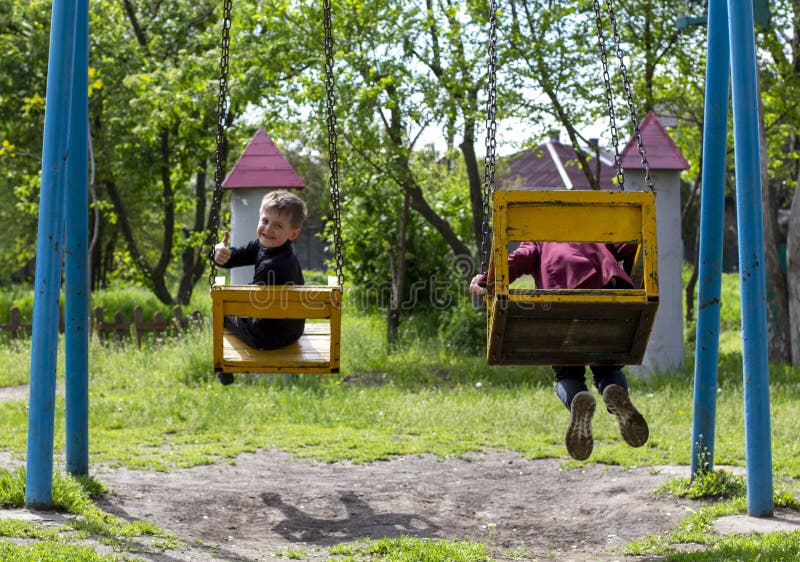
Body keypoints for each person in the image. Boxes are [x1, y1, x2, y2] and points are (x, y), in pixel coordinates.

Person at [469, 241, 649, 461]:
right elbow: (632, 249)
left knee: (566, 373)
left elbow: (519, 259)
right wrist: (632, 282)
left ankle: (577, 398)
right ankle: (613, 389)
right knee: (607, 364)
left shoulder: (538, 236)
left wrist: (486, 279)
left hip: (561, 297)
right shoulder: (599, 224)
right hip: (609, 290)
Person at [212, 190, 307, 384]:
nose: (268, 229)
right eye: (265, 221)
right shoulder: (267, 247)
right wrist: (218, 254)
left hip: (264, 338)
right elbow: (233, 257)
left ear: (293, 233)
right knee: (228, 305)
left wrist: (220, 298)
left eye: (277, 225)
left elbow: (252, 304)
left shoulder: (272, 266)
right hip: (292, 333)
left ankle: (225, 367)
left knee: (219, 311)